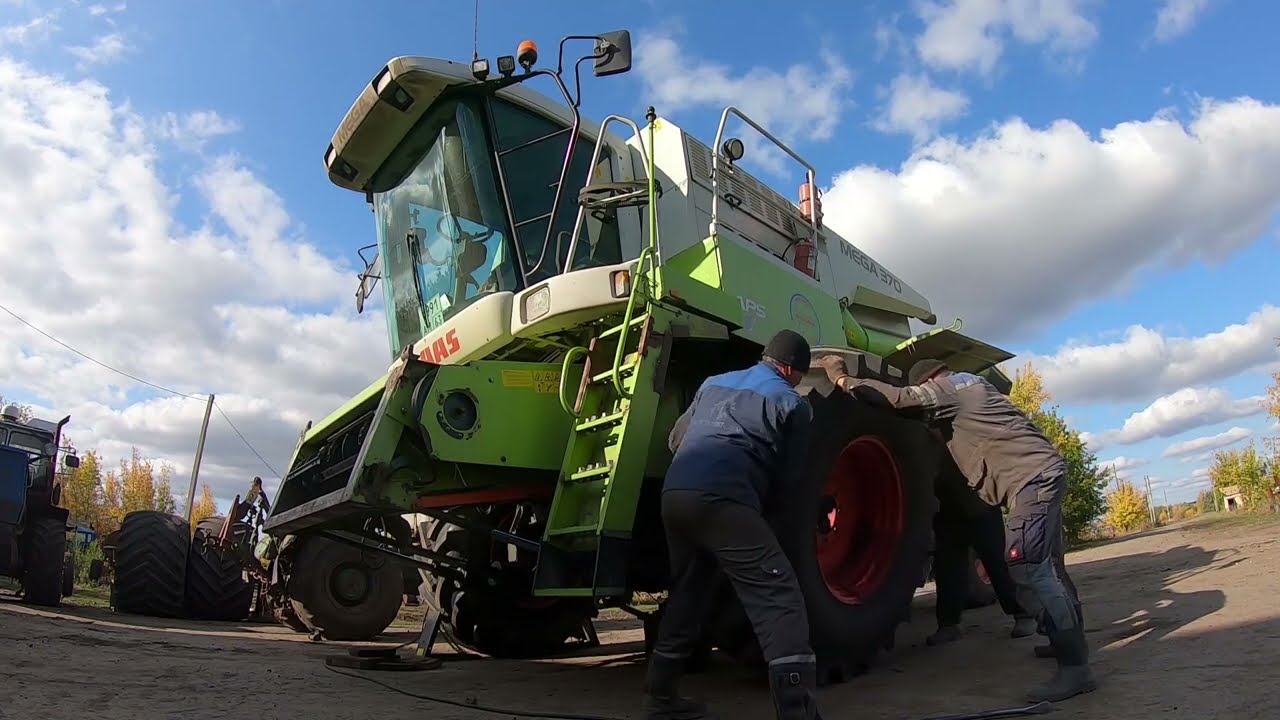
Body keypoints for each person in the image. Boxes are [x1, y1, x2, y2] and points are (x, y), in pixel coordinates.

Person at [814, 355, 1095, 703]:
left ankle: (1075, 667)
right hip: (1042, 472)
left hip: (1030, 481)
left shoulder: (949, 389)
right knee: (1049, 566)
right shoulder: (974, 384)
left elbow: (900, 399)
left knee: (1027, 565)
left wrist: (842, 379)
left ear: (931, 380)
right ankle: (1065, 642)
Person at [645, 329, 823, 720]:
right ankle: (797, 710)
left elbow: (675, 440)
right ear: (792, 370)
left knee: (689, 591)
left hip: (676, 495)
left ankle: (660, 698)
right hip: (725, 498)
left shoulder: (713, 383)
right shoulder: (792, 403)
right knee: (778, 595)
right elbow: (789, 482)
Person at [928, 457, 1038, 646]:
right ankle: (949, 624)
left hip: (979, 501)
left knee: (996, 559)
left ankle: (1023, 614)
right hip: (945, 503)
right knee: (947, 566)